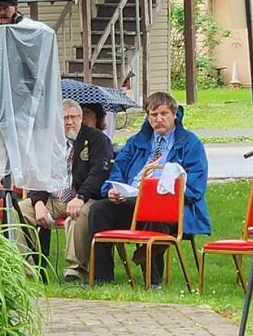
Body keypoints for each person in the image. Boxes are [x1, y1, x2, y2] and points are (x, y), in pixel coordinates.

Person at [81, 92, 210, 285]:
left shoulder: (189, 143)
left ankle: (153, 280)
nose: (159, 119)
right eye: (153, 115)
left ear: (174, 114)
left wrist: (164, 192)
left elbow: (195, 187)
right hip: (132, 200)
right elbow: (118, 169)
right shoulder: (137, 141)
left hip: (172, 208)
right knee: (99, 210)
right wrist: (111, 189)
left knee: (155, 209)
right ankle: (101, 276)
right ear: (147, 117)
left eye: (163, 114)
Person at [17, 99, 113, 282]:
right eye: (65, 118)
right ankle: (27, 270)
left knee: (78, 216)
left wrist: (81, 196)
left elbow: (99, 173)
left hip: (83, 197)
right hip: (52, 198)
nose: (69, 122)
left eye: (73, 117)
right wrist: (38, 203)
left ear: (81, 118)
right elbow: (37, 174)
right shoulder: (49, 142)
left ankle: (75, 271)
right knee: (18, 211)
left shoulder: (96, 139)